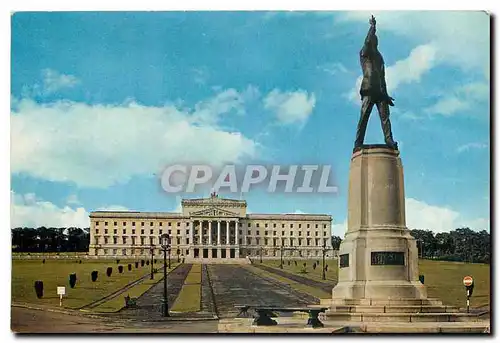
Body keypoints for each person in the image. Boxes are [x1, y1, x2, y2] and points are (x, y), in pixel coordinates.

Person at [354, 15, 398, 151]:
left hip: (380, 92)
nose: (373, 41)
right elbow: (367, 42)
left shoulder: (379, 58)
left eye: (374, 40)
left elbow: (382, 78)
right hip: (368, 89)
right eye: (372, 39)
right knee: (364, 117)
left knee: (385, 117)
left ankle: (389, 140)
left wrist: (386, 95)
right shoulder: (365, 53)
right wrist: (372, 28)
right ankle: (358, 143)